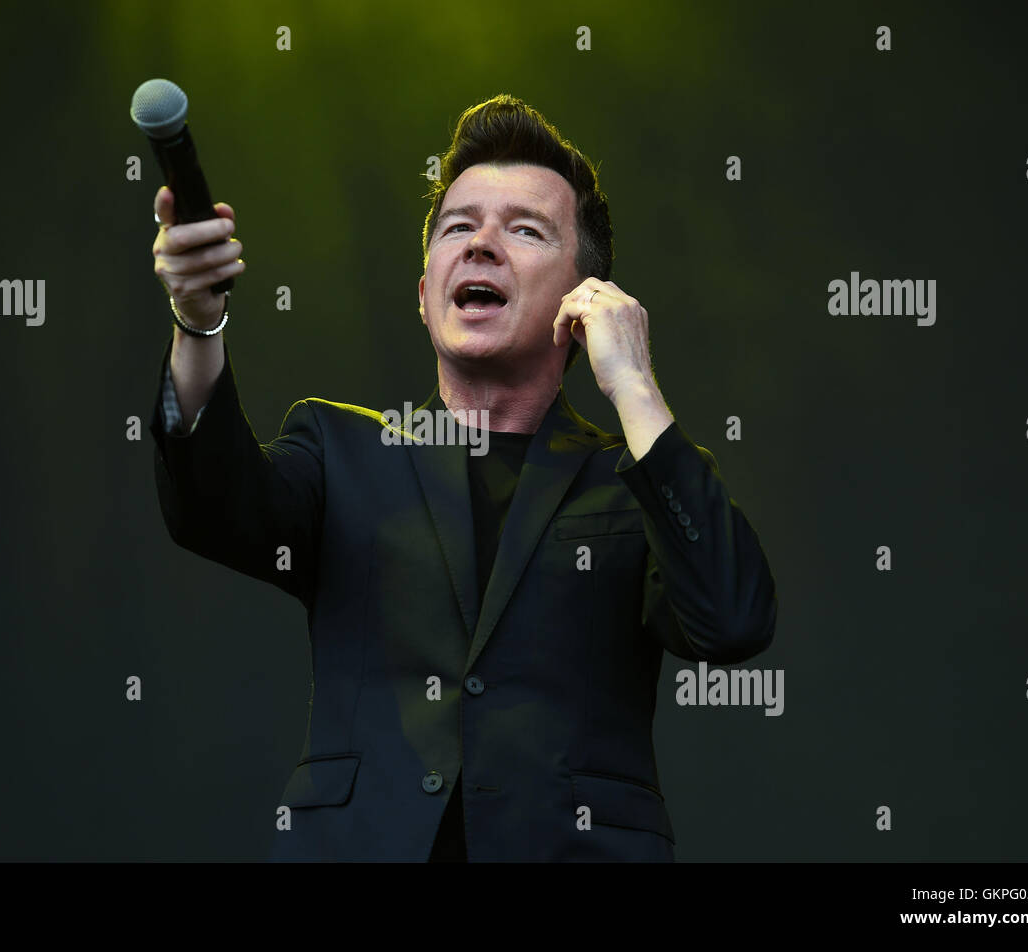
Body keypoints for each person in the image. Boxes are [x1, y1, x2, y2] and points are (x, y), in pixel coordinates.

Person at [147, 94, 777, 862]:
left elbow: (734, 620)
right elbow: (212, 507)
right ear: (424, 296)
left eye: (524, 229)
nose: (480, 244)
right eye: (458, 226)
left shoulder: (630, 478)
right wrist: (198, 320)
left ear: (586, 301)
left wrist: (637, 390)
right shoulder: (340, 448)